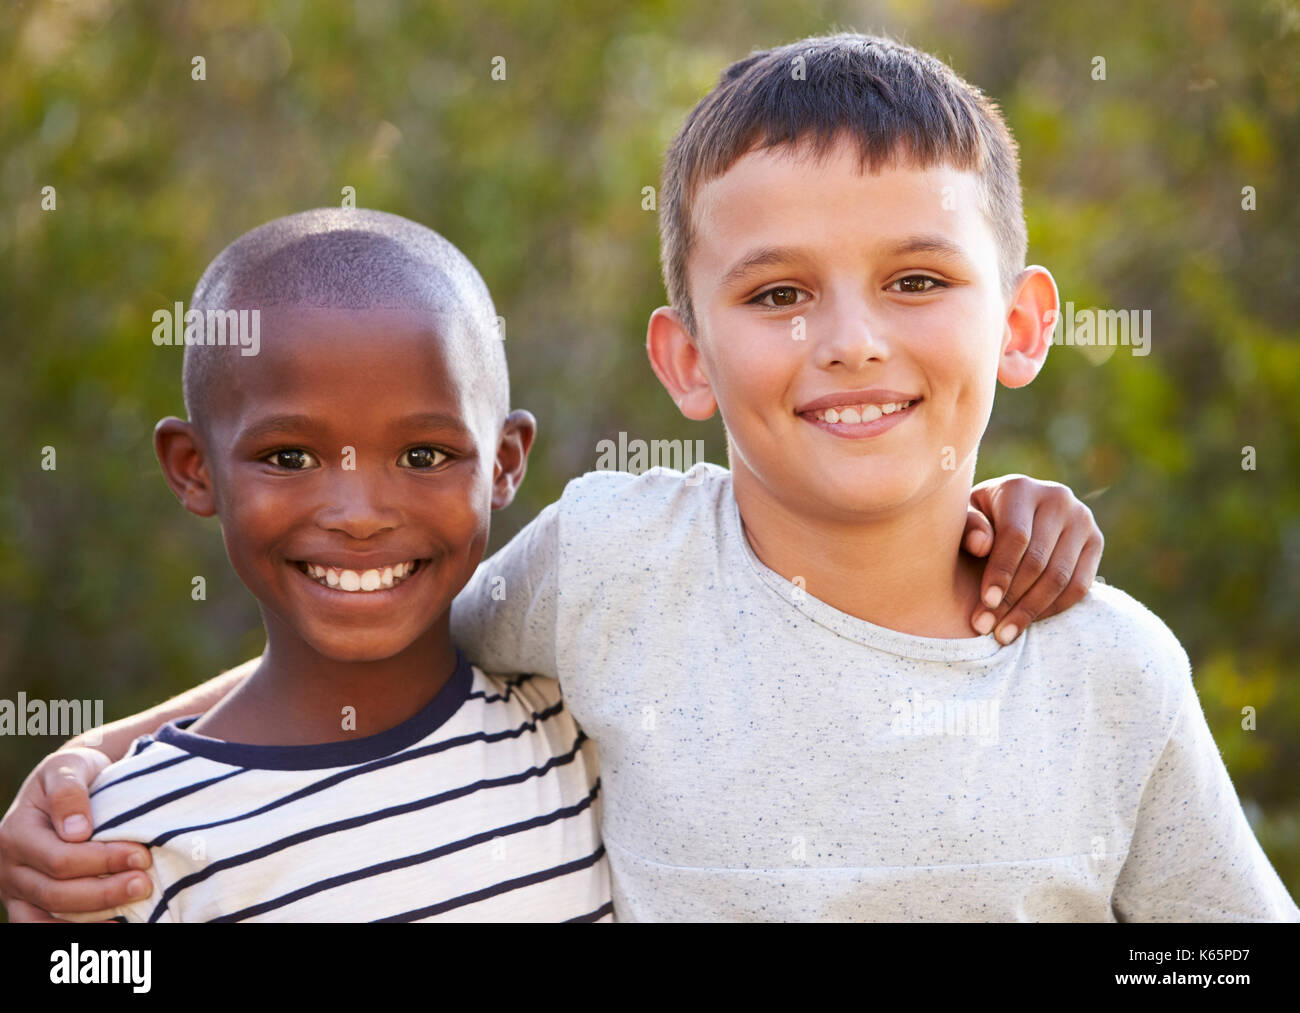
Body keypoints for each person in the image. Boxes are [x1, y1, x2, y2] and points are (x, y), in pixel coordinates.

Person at [0, 38, 1121, 921]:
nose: (851, 341)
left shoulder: (1103, 665)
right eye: (778, 294)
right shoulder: (608, 582)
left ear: (503, 462)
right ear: (685, 358)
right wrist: (96, 749)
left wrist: (991, 511)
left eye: (915, 279)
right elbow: (391, 621)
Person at [23, 208, 612, 921]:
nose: (360, 514)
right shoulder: (125, 844)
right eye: (289, 457)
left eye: (424, 455)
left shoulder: (582, 728)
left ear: (503, 462)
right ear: (194, 469)